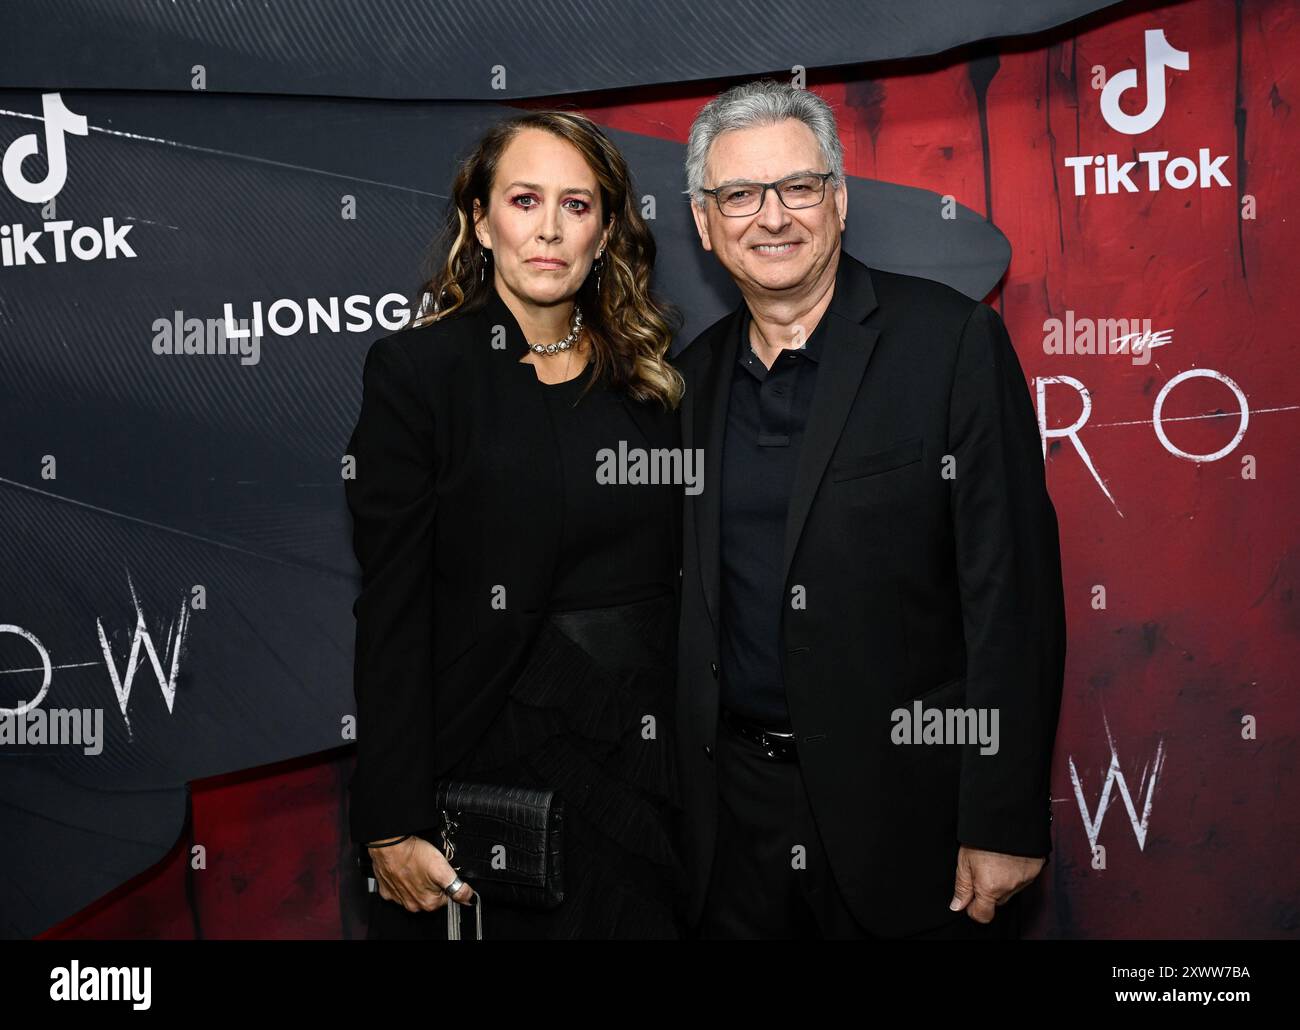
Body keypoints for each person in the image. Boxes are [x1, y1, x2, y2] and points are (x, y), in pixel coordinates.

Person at [673, 79, 1068, 939]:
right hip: (731, 822)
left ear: (839, 201)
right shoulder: (686, 379)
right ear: (705, 223)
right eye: (738, 194)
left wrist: (1001, 818)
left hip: (904, 815)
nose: (770, 217)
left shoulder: (950, 343)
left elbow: (1012, 597)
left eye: (799, 186)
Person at [343, 110, 688, 938]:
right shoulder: (421, 375)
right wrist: (391, 818)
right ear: (480, 221)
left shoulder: (650, 381)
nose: (548, 229)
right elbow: (391, 606)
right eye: (524, 199)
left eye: (576, 205)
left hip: (649, 762)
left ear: (605, 232)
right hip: (497, 761)